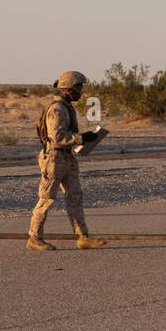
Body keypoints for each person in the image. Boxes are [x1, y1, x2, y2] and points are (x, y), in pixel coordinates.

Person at [27, 70, 107, 251]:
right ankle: (34, 237)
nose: (82, 91)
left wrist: (84, 140)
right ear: (69, 89)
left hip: (66, 157)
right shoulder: (57, 109)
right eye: (79, 87)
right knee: (46, 198)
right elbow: (57, 136)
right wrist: (81, 139)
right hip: (54, 159)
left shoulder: (66, 107)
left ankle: (83, 236)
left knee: (75, 197)